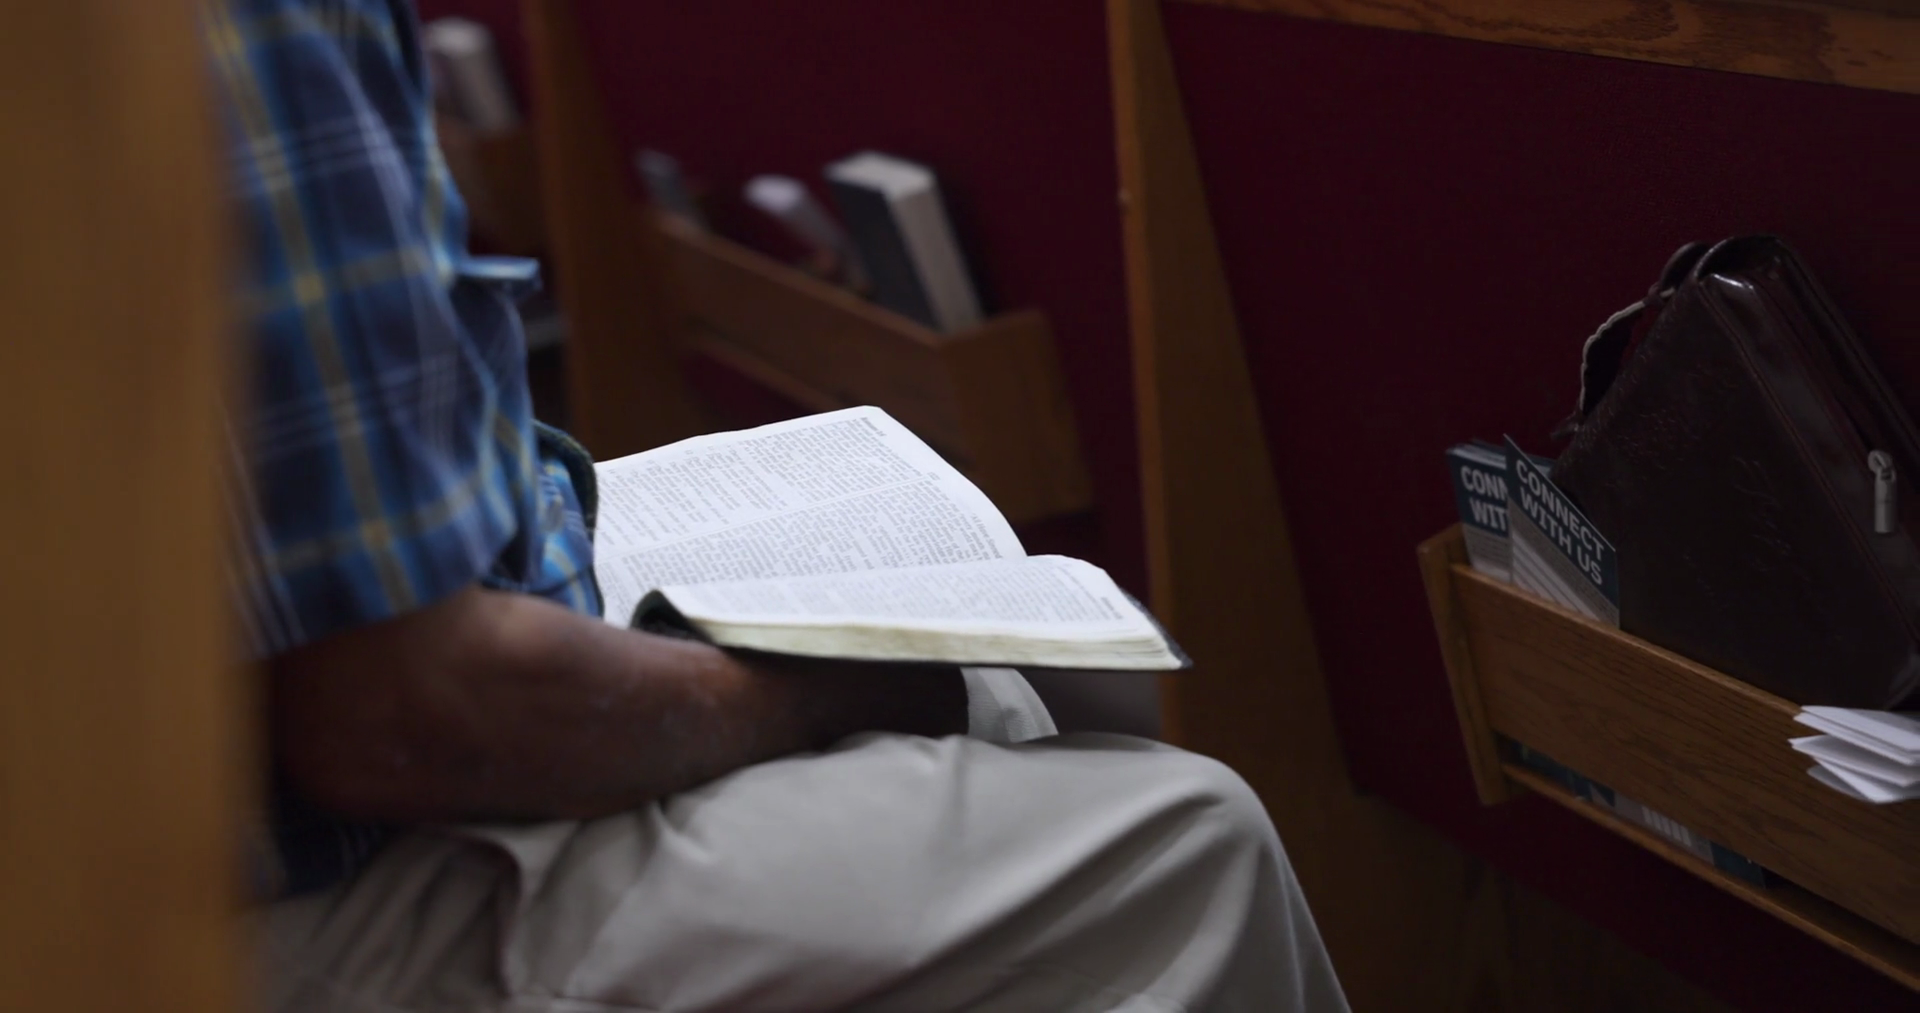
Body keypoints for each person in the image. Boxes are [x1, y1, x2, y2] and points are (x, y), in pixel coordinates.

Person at [208, 1, 1350, 1009]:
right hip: (255, 882)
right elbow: (406, 716)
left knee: (1003, 703)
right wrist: (805, 691)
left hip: (255, 726)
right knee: (1184, 842)